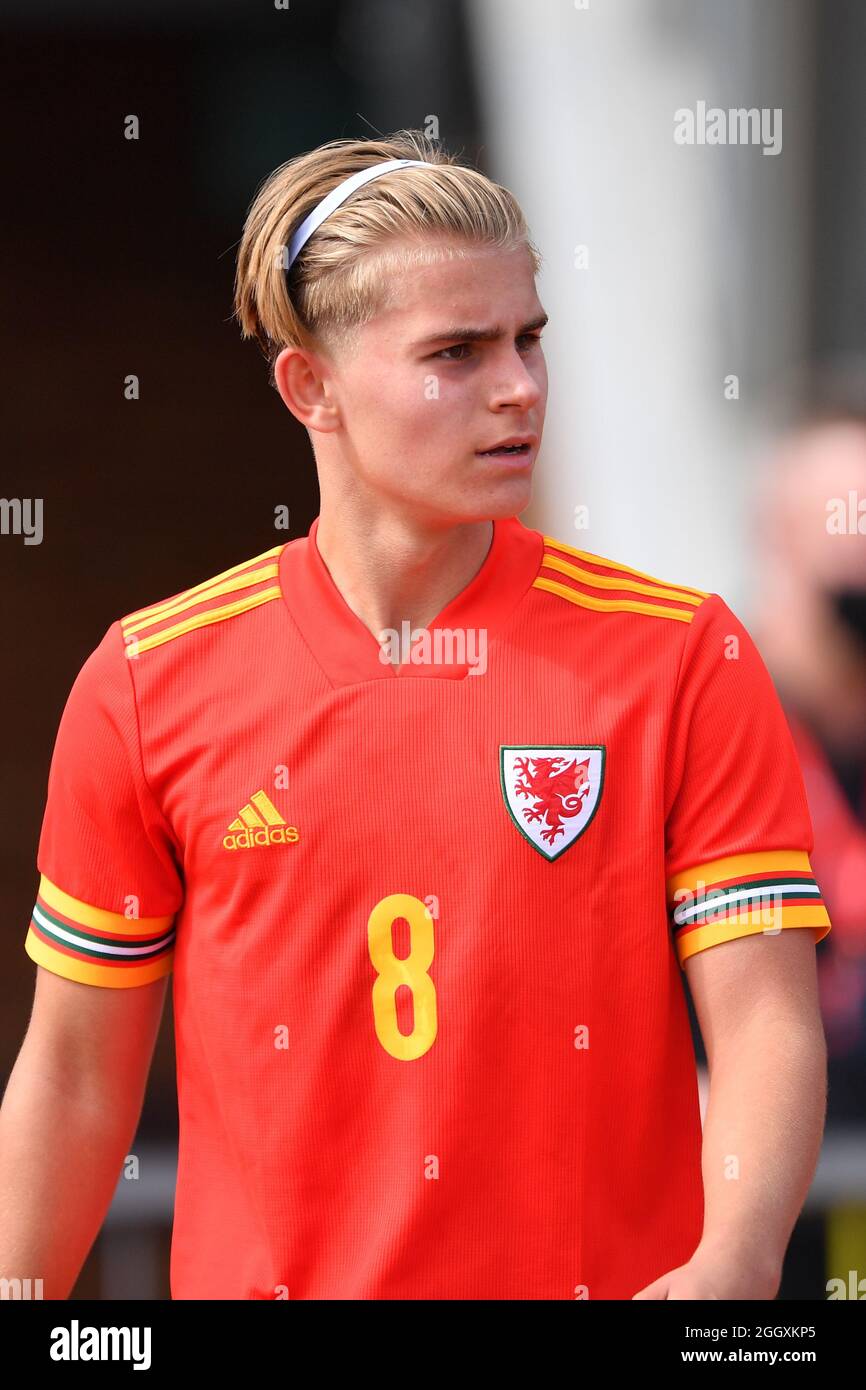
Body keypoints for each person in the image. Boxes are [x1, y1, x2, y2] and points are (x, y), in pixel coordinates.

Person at [1, 130, 832, 1300]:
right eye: (455, 351)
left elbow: (760, 1020)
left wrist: (734, 1260)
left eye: (529, 338)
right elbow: (78, 1076)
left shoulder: (679, 651)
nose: (518, 387)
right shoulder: (146, 679)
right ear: (311, 386)